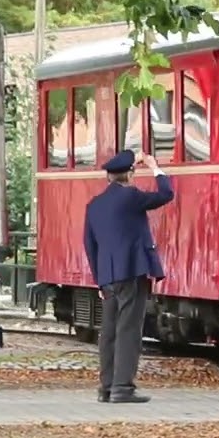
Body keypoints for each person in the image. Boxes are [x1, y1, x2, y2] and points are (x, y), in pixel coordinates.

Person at [83, 150, 174, 404]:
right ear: (129, 174)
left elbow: (90, 245)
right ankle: (123, 387)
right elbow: (166, 194)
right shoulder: (131, 197)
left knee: (109, 331)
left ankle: (106, 387)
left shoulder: (94, 205)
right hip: (131, 272)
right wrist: (156, 167)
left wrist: (99, 280)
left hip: (108, 277)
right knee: (129, 330)